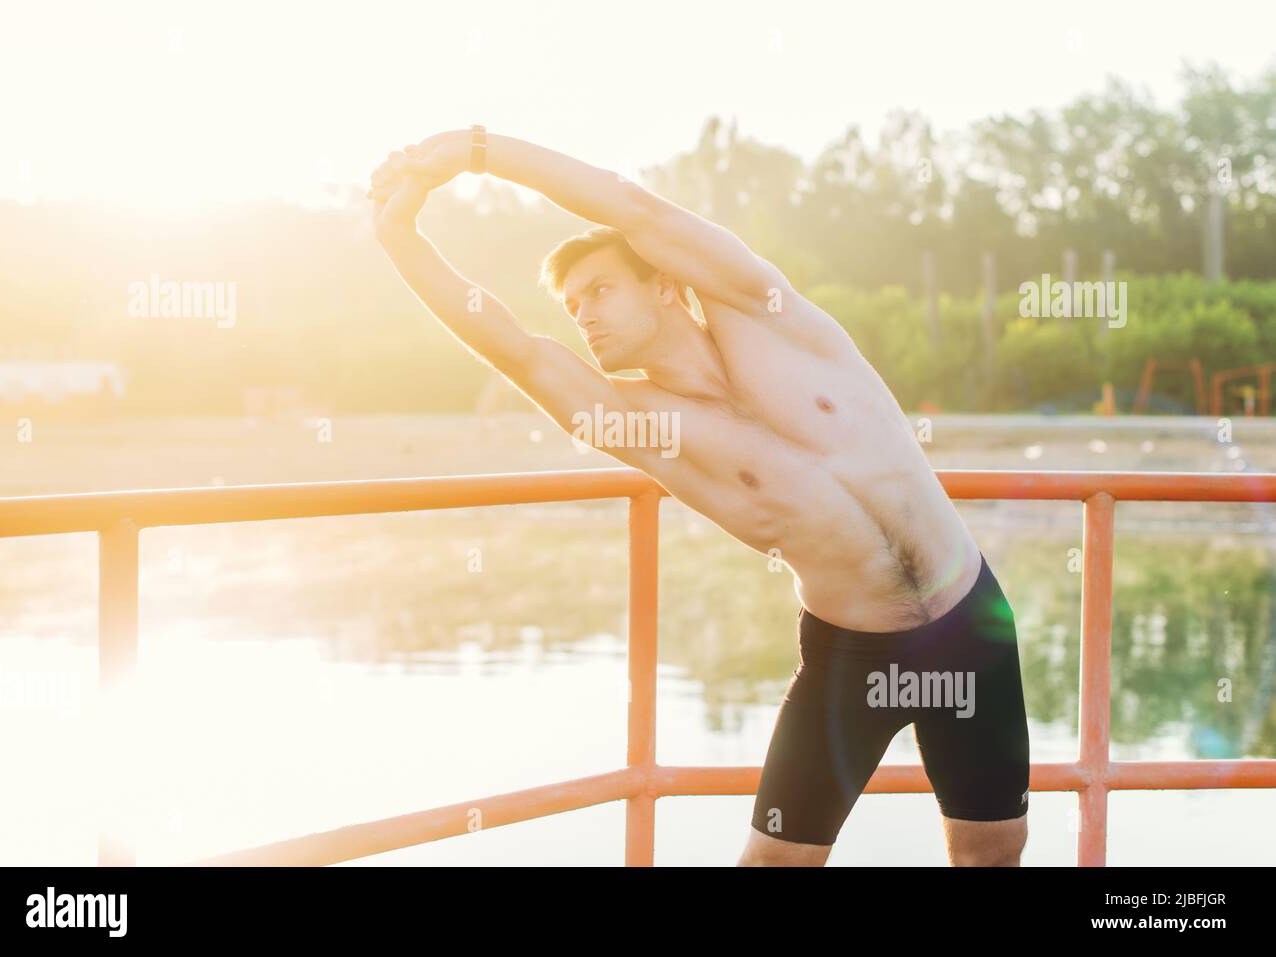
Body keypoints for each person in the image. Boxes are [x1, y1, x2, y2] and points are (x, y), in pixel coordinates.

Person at [368, 127, 1029, 867]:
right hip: (852, 657)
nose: (582, 314)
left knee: (992, 849)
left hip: (967, 622)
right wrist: (398, 234)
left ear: (663, 283)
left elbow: (632, 206)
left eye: (600, 289)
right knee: (774, 863)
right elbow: (511, 344)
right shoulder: (639, 425)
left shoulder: (767, 311)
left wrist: (478, 151)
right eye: (571, 303)